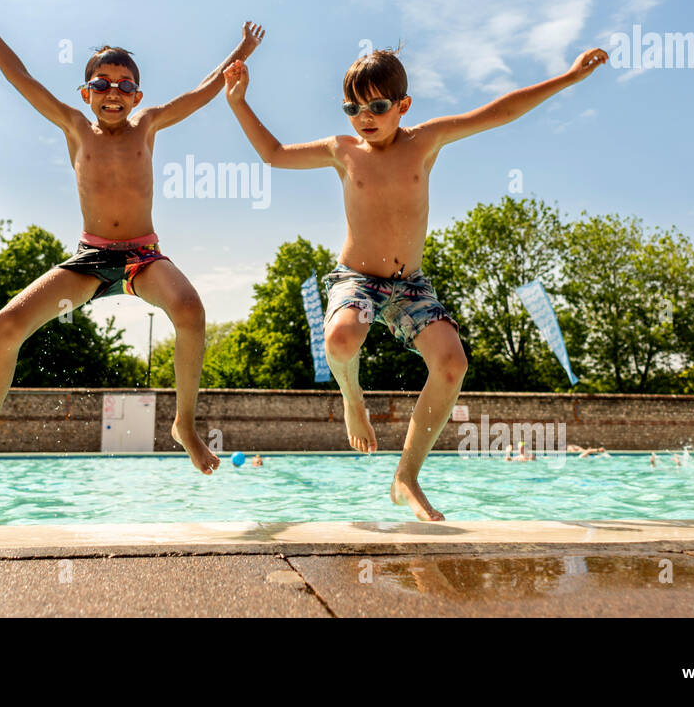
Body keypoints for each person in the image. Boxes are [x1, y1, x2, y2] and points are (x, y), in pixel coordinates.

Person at [224, 44, 607, 520]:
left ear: (403, 105)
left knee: (452, 364)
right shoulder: (341, 151)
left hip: (409, 286)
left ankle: (406, 476)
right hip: (357, 279)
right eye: (353, 108)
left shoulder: (425, 140)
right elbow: (274, 153)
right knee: (341, 339)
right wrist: (239, 101)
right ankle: (352, 398)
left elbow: (498, 112)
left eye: (378, 106)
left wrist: (567, 78)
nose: (365, 117)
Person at [0, 0, 265, 488]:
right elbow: (21, 78)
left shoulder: (147, 125)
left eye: (125, 86)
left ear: (137, 94)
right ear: (85, 93)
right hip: (90, 260)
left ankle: (183, 424)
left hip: (143, 258)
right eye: (102, 84)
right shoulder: (75, 127)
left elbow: (201, 91)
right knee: (7, 325)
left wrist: (241, 52)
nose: (114, 92)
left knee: (191, 312)